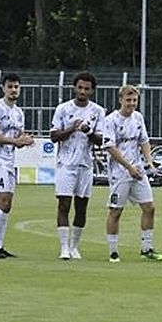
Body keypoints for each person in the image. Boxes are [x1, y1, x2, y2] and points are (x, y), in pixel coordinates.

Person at [101, 85, 162, 263]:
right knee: (115, 211)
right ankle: (113, 252)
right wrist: (129, 167)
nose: (131, 103)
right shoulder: (110, 120)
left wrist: (149, 161)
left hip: (138, 170)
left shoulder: (138, 118)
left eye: (134, 100)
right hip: (119, 173)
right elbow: (110, 147)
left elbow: (144, 141)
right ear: (120, 100)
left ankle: (147, 249)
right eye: (128, 100)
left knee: (149, 207)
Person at [0, 72, 35, 258]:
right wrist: (15, 141)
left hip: (8, 161)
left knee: (7, 204)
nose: (13, 90)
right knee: (1, 202)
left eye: (16, 87)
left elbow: (16, 138)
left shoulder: (18, 113)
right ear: (3, 88)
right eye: (10, 86)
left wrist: (25, 140)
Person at [50, 71, 105, 260]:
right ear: (74, 88)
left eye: (86, 89)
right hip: (66, 163)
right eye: (80, 87)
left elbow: (101, 140)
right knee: (64, 203)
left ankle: (74, 246)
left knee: (82, 207)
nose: (82, 91)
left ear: (92, 91)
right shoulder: (63, 109)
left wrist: (88, 130)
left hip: (86, 163)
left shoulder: (98, 111)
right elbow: (54, 136)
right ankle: (64, 247)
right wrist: (72, 128)